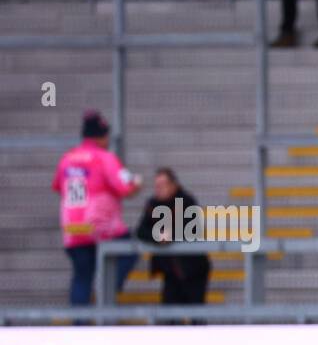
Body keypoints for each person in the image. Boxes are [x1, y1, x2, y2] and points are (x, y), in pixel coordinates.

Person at [51, 110, 143, 306]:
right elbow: (124, 188)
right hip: (98, 226)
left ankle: (79, 324)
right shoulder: (105, 158)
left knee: (81, 276)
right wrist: (137, 184)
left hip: (73, 229)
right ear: (101, 136)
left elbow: (58, 187)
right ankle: (107, 290)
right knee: (131, 251)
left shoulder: (67, 159)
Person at [134, 168, 212, 308]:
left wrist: (171, 236)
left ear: (173, 185)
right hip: (170, 271)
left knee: (196, 315)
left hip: (193, 268)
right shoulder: (153, 205)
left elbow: (193, 229)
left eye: (162, 185)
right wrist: (158, 236)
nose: (158, 189)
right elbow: (141, 231)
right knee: (168, 317)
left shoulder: (187, 202)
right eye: (156, 186)